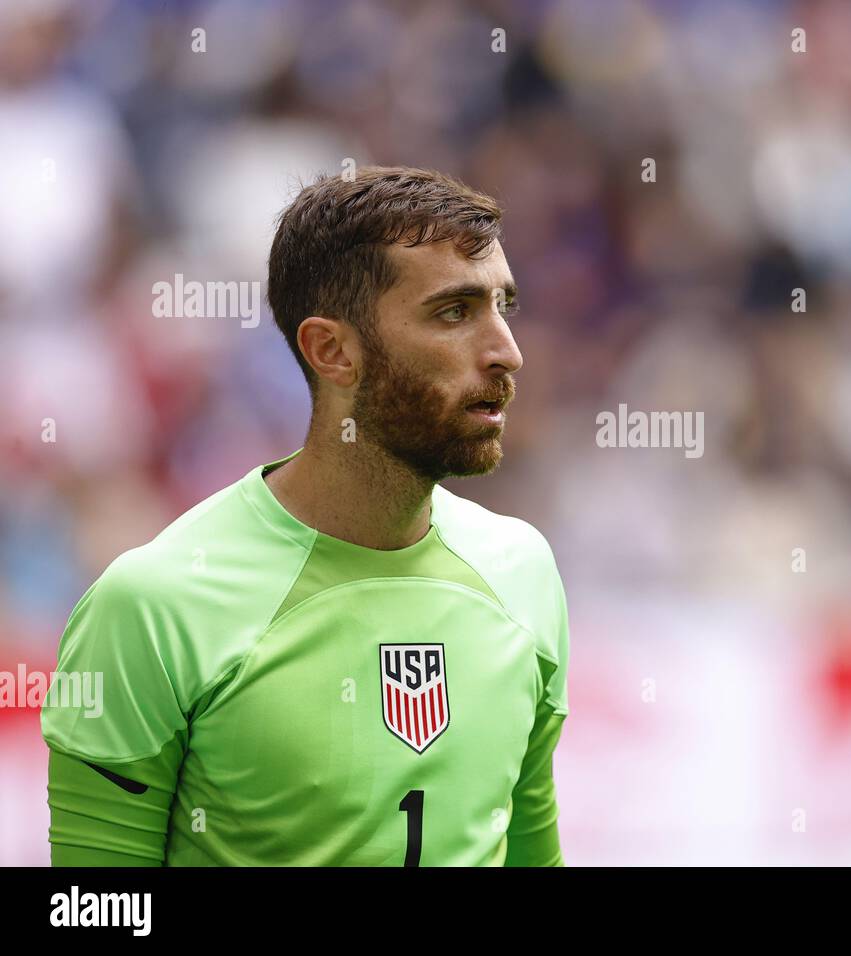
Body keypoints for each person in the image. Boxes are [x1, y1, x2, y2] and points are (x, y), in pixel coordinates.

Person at [42, 166, 570, 866]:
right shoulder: (153, 605)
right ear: (333, 351)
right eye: (454, 312)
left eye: (504, 306)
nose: (507, 350)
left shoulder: (521, 570)